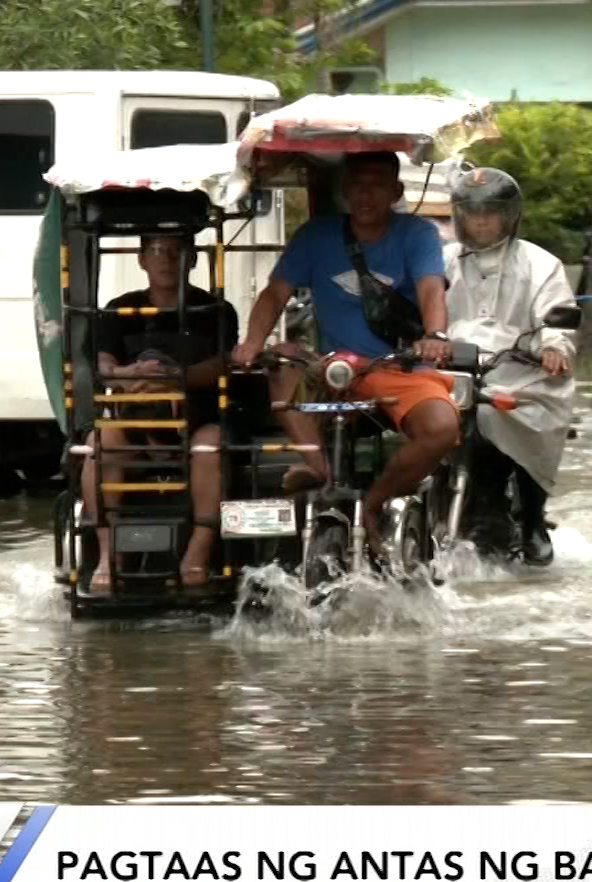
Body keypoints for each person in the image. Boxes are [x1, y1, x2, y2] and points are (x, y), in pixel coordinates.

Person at [232, 150, 457, 559]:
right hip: (334, 367)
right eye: (355, 184)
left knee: (443, 428)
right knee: (281, 361)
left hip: (398, 366)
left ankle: (374, 503)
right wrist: (252, 342)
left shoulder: (417, 234)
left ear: (396, 191)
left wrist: (435, 334)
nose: (365, 194)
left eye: (376, 184)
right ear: (344, 192)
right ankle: (318, 467)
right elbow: (274, 293)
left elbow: (430, 288)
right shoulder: (316, 235)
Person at [85, 232, 239, 594]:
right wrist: (130, 376)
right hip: (134, 418)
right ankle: (109, 556)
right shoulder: (118, 309)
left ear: (193, 258)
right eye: (157, 250)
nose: (167, 258)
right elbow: (103, 364)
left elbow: (222, 364)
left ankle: (197, 555)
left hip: (197, 416)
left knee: (211, 446)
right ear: (141, 259)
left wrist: (177, 379)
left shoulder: (215, 310)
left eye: (177, 249)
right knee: (99, 443)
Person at [441, 166, 577, 567]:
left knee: (530, 418)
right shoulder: (441, 260)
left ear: (510, 215)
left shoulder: (541, 263)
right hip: (451, 368)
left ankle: (532, 519)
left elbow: (556, 313)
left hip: (520, 369)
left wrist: (553, 345)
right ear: (459, 216)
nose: (481, 220)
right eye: (472, 212)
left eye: (490, 212)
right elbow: (418, 304)